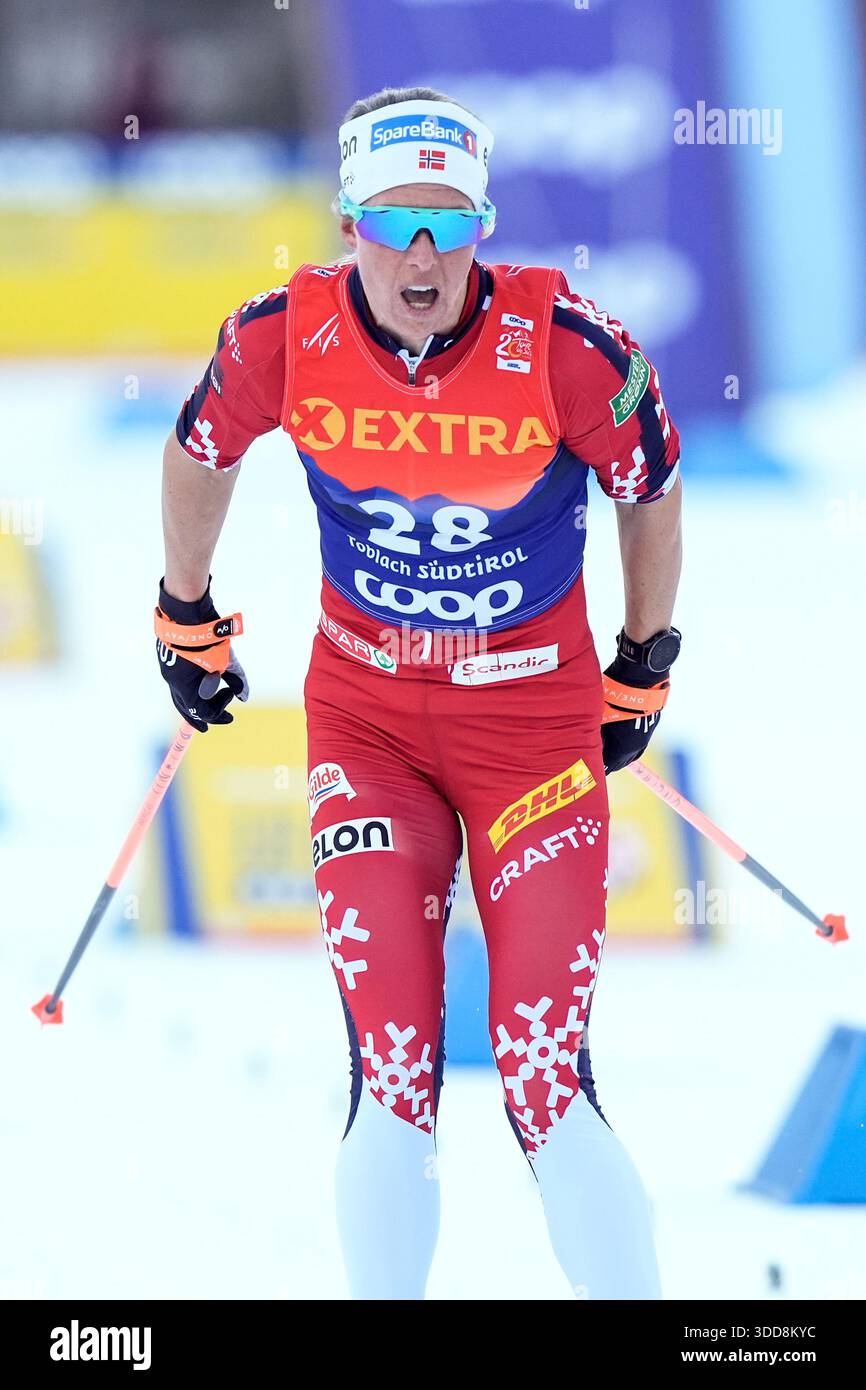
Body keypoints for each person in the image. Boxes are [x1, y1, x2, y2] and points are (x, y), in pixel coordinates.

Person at [156, 86, 683, 1300]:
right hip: (369, 724)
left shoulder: (567, 348)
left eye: (451, 219)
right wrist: (185, 609)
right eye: (398, 219)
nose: (425, 252)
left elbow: (647, 484)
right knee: (392, 1059)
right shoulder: (277, 338)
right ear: (349, 223)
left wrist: (642, 656)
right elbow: (200, 449)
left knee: (542, 1069)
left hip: (532, 732)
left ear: (484, 224)